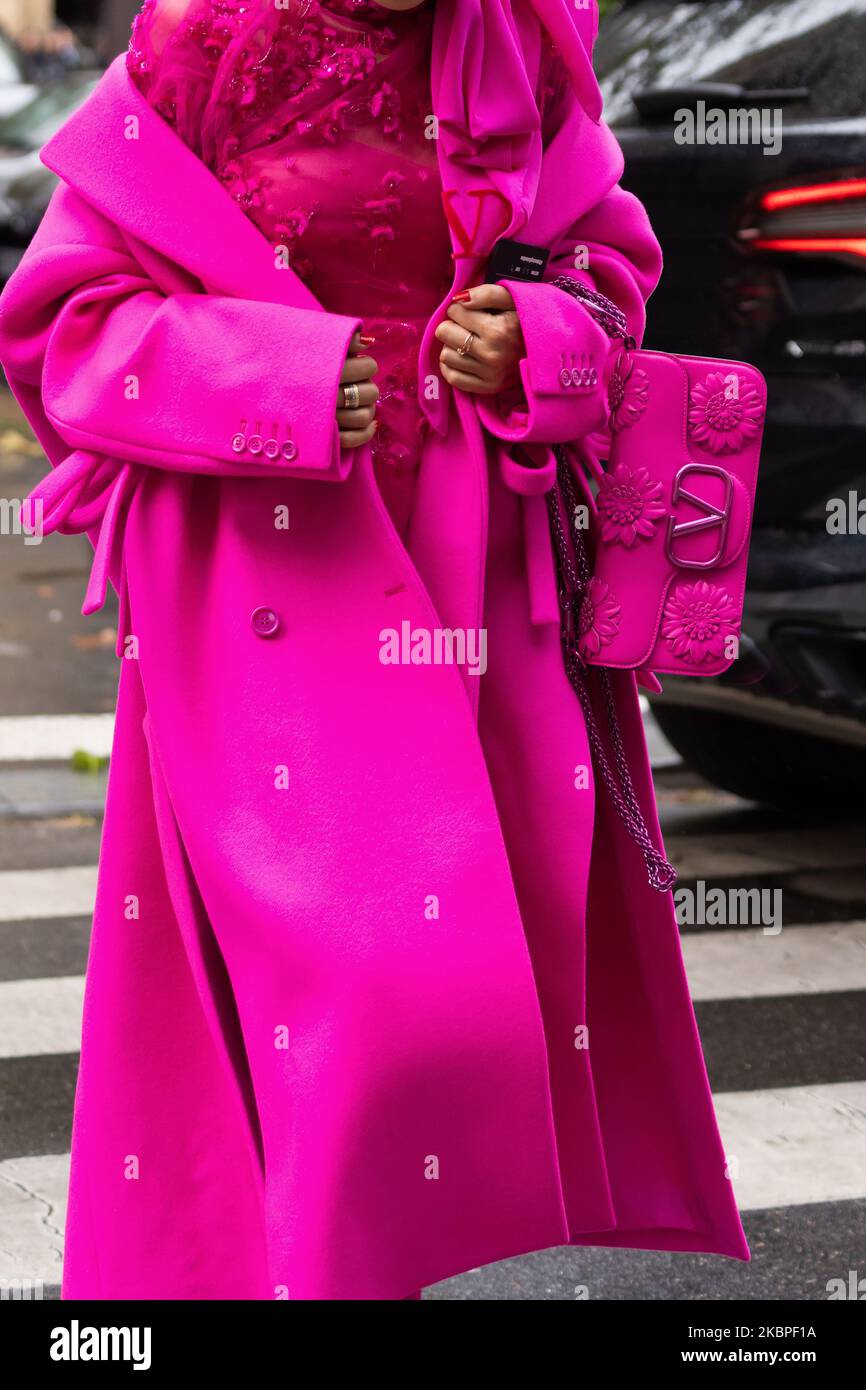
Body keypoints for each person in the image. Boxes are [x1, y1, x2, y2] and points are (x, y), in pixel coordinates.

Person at [0, 0, 749, 1301]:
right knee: (361, 1000)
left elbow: (606, 270)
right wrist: (275, 379)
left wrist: (542, 337)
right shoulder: (198, 41)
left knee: (442, 1009)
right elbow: (59, 327)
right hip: (259, 588)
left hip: (482, 583)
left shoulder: (521, 44)